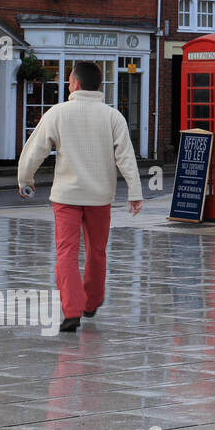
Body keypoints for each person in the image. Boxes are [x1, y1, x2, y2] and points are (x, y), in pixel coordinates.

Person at [17, 62, 143, 333]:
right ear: (99, 85)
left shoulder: (58, 113)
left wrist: (25, 179)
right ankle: (92, 301)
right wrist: (135, 191)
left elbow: (35, 149)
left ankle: (71, 310)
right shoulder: (113, 117)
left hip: (66, 195)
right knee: (97, 252)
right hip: (100, 196)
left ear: (74, 83)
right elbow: (126, 156)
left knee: (66, 252)